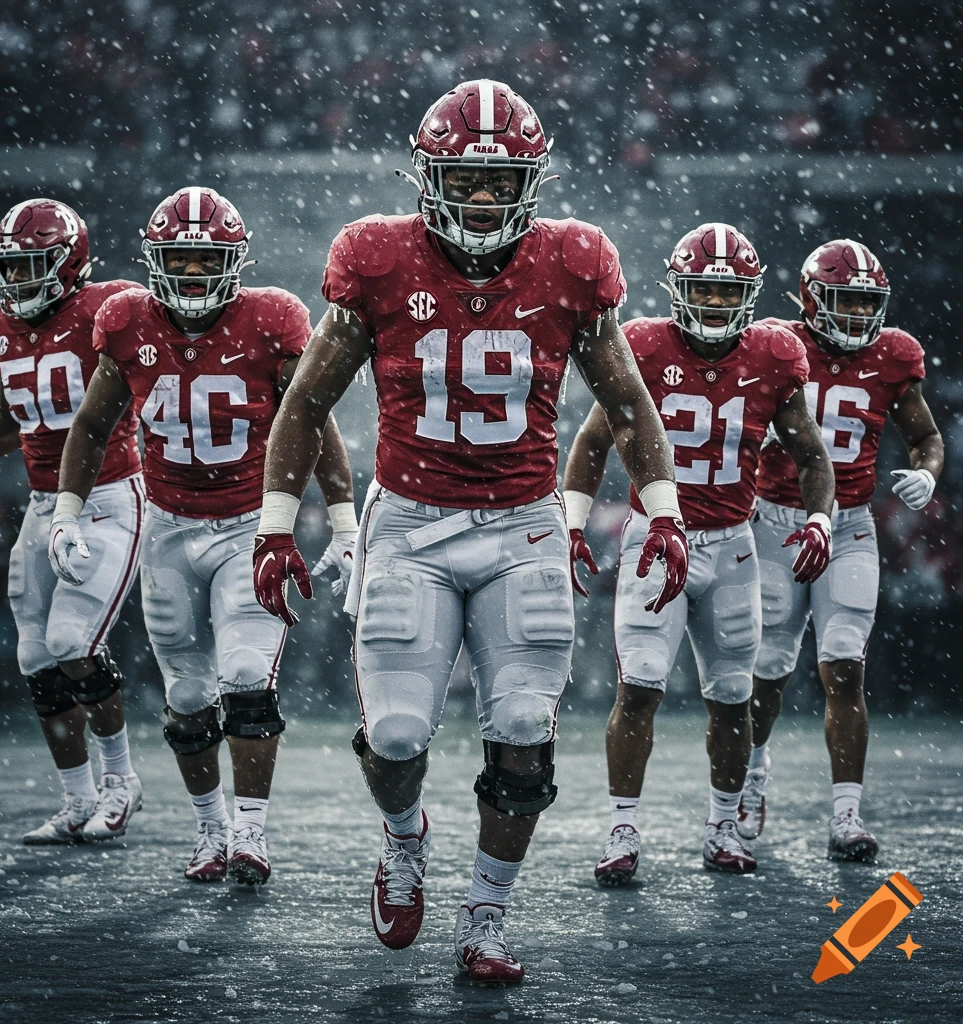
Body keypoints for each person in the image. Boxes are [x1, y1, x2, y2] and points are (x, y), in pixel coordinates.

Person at [253, 80, 686, 981]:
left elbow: (630, 403)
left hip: (523, 522)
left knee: (524, 731)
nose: (483, 197)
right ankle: (405, 837)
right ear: (428, 176)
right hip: (410, 522)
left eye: (500, 179)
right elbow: (303, 404)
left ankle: (487, 918)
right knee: (401, 735)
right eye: (465, 177)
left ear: (530, 180)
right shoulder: (377, 261)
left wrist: (664, 510)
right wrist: (270, 529)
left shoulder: (571, 266)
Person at [50, 186, 356, 884]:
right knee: (187, 694)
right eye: (179, 259)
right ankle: (210, 830)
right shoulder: (126, 321)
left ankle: (250, 833)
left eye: (205, 259)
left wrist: (343, 520)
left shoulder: (271, 319)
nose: (191, 274)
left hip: (251, 525)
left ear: (235, 261)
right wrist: (68, 509)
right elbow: (94, 426)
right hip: (168, 527)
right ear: (154, 260)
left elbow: (313, 421)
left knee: (247, 677)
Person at [564, 223, 835, 883]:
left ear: (750, 292)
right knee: (639, 689)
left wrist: (823, 518)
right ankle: (623, 829)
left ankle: (722, 827)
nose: (714, 302)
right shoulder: (646, 345)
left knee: (733, 696)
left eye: (727, 289)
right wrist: (572, 523)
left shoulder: (775, 354)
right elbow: (593, 441)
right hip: (656, 540)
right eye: (703, 287)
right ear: (677, 288)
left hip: (734, 547)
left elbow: (809, 452)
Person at [740, 238, 943, 861]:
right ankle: (751, 772)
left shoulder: (894, 356)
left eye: (865, 303)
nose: (857, 315)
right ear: (812, 299)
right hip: (774, 525)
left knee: (844, 665)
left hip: (850, 525)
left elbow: (926, 436)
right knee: (769, 669)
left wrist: (927, 471)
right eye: (844, 301)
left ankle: (847, 816)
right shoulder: (777, 344)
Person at [0, 198, 145, 845]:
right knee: (35, 654)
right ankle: (77, 797)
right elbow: (23, 403)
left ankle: (121, 782)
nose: (18, 281)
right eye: (11, 268)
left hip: (110, 496)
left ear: (69, 265)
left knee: (71, 642)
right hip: (41, 504)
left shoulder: (105, 312)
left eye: (33, 266)